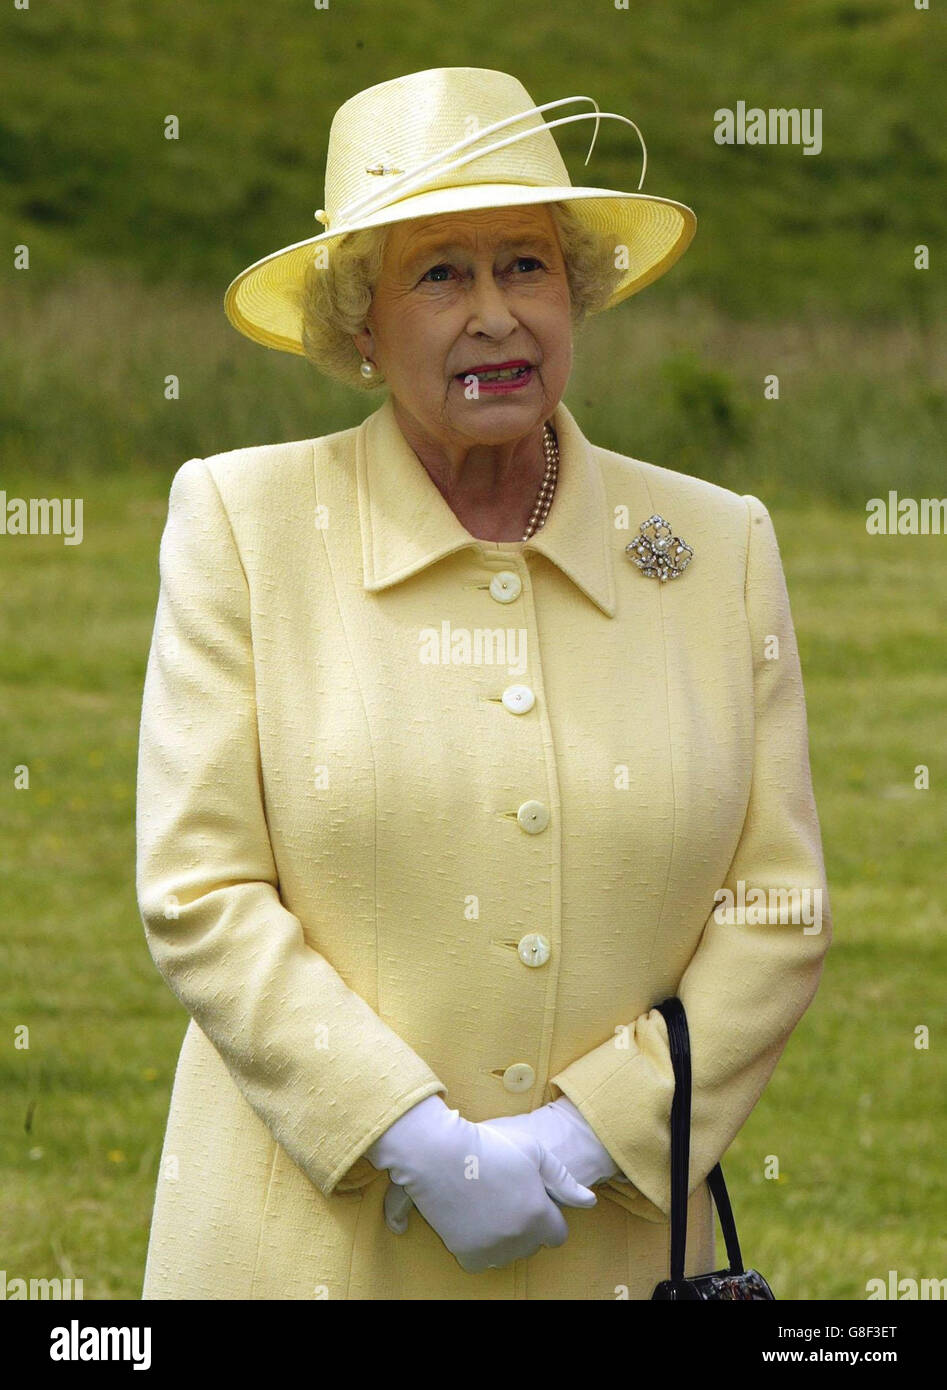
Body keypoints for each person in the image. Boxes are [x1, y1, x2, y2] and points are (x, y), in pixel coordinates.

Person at [136, 65, 832, 1300]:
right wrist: (411, 1138)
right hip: (305, 1253)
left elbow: (775, 906)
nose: (495, 315)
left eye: (525, 265)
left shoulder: (716, 545)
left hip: (606, 1250)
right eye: (439, 274)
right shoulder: (243, 523)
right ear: (361, 322)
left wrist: (591, 1136)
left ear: (577, 292)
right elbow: (201, 889)